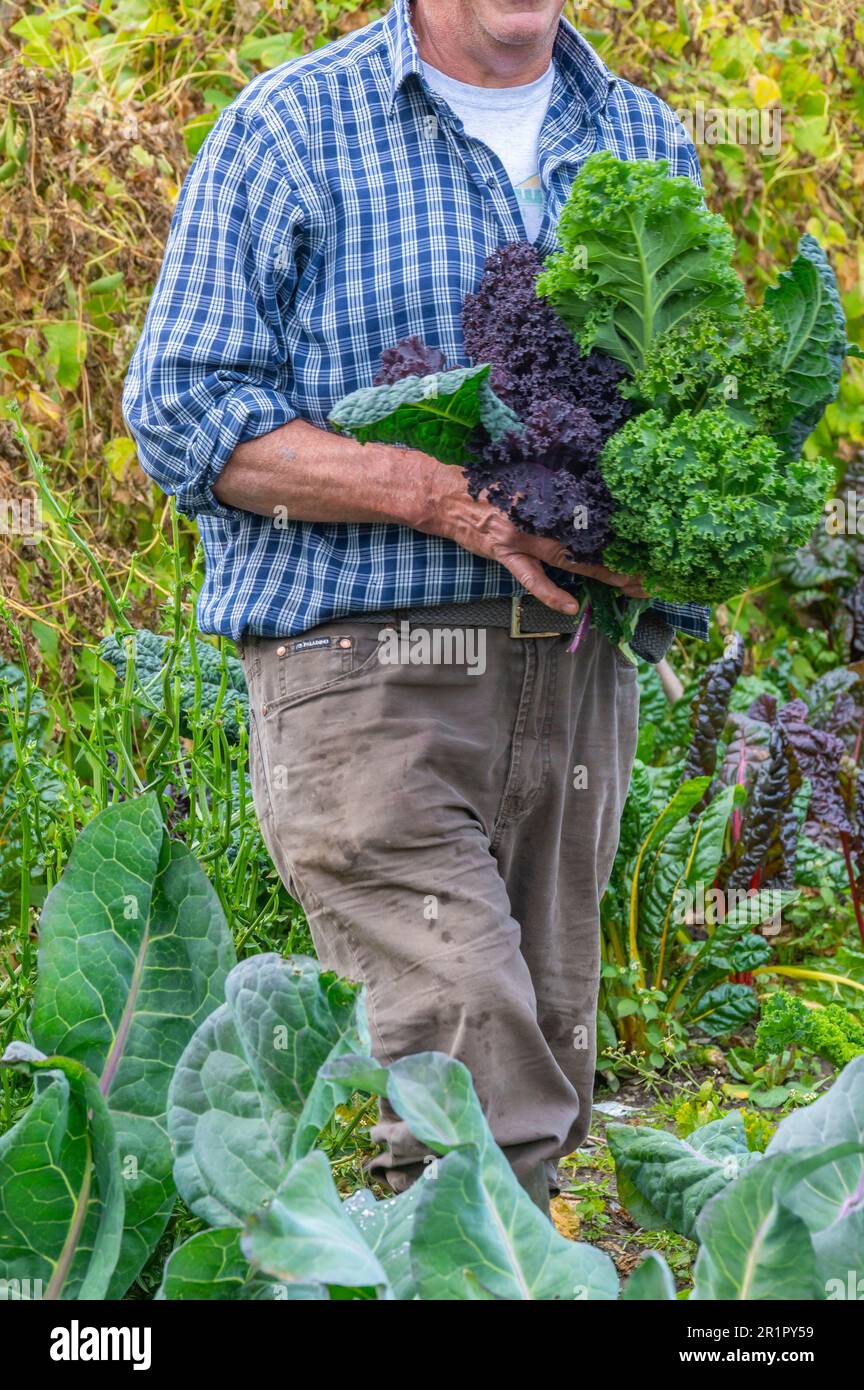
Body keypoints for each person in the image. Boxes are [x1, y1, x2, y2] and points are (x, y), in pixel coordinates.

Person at [123, 0, 708, 1208]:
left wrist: (675, 528)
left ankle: (442, 1266)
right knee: (471, 1040)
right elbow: (183, 405)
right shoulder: (292, 128)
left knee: (538, 1044)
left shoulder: (647, 136)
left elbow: (691, 413)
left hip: (575, 673)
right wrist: (448, 497)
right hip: (364, 672)